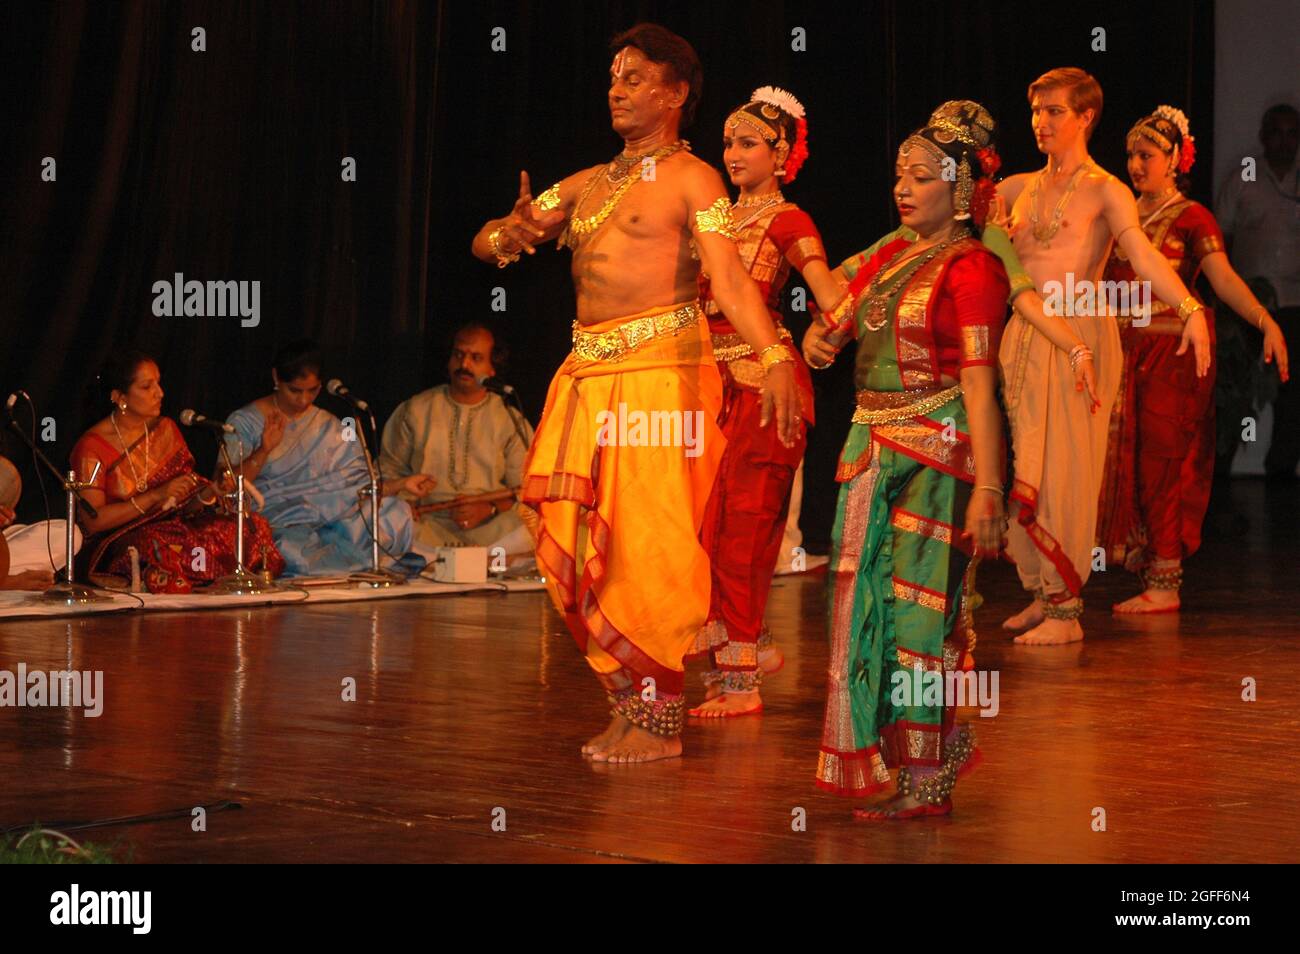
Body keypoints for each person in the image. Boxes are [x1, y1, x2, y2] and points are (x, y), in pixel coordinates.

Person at [471, 23, 801, 763]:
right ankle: (629, 704)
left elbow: (730, 278)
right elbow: (485, 241)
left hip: (660, 379)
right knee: (589, 544)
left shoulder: (697, 182)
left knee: (648, 549)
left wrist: (774, 353)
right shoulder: (587, 183)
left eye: (636, 77)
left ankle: (661, 717)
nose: (617, 89)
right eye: (614, 75)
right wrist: (510, 235)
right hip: (586, 377)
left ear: (676, 92)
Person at [803, 101, 1007, 819]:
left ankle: (927, 778)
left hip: (938, 454)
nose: (903, 187)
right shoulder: (891, 254)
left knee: (920, 619)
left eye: (920, 177)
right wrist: (816, 341)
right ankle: (906, 760)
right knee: (866, 613)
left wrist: (989, 488)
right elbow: (833, 310)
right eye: (899, 175)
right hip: (869, 449)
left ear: (957, 190)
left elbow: (981, 387)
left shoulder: (974, 267)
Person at [992, 67, 1213, 645]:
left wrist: (1188, 307)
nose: (1041, 122)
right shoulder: (1013, 189)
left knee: (1065, 470)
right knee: (1025, 464)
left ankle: (1067, 611)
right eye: (1037, 110)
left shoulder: (1106, 189)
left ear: (1086, 116)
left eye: (1055, 111)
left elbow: (1141, 256)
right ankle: (1042, 592)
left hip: (1079, 334)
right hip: (1022, 335)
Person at [688, 86, 843, 717]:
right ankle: (746, 651)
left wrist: (821, 337)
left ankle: (743, 679)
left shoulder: (789, 220)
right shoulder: (715, 219)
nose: (732, 154)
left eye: (748, 142)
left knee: (746, 532)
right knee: (706, 528)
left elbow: (833, 296)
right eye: (727, 142)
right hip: (707, 386)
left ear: (782, 154)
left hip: (764, 386)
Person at [1097, 107, 1289, 612]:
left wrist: (1263, 320)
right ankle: (1130, 567)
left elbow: (1222, 280)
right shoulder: (1117, 213)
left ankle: (1165, 580)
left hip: (1175, 353)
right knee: (1122, 462)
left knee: (1163, 461)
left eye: (1148, 155)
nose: (1137, 165)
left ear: (1176, 158)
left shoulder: (1191, 216)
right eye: (1132, 156)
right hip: (1119, 353)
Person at [71, 349, 285, 591]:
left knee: (248, 526)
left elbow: (185, 506)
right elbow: (92, 522)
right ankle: (170, 577)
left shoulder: (165, 429)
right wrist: (155, 495)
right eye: (146, 387)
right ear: (120, 397)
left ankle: (199, 578)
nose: (159, 393)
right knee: (151, 544)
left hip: (174, 527)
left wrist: (209, 493)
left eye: (159, 384)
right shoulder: (92, 447)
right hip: (119, 538)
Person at [224, 339, 428, 576]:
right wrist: (264, 450)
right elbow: (226, 487)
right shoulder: (244, 422)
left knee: (394, 512)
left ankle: (355, 565)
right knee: (290, 550)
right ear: (276, 379)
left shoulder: (332, 426)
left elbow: (358, 486)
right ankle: (363, 565)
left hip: (335, 521)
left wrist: (402, 484)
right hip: (280, 524)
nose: (303, 400)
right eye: (295, 391)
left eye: (312, 391)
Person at [380, 322, 533, 557]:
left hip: (491, 528)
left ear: (492, 368)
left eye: (476, 358)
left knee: (537, 527)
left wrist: (489, 508)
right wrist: (405, 503)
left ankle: (468, 562)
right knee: (381, 517)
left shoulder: (508, 419)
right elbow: (387, 473)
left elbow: (526, 489)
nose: (464, 365)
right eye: (458, 355)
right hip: (429, 525)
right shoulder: (416, 410)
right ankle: (458, 563)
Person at [1215, 103, 1300, 479]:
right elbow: (1218, 239)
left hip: (1295, 304)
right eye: (1277, 132)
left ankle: (1280, 476)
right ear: (1264, 137)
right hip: (1247, 307)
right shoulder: (1244, 177)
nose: (1284, 140)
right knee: (1236, 393)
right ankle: (1220, 477)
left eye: (1292, 132)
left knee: (1292, 396)